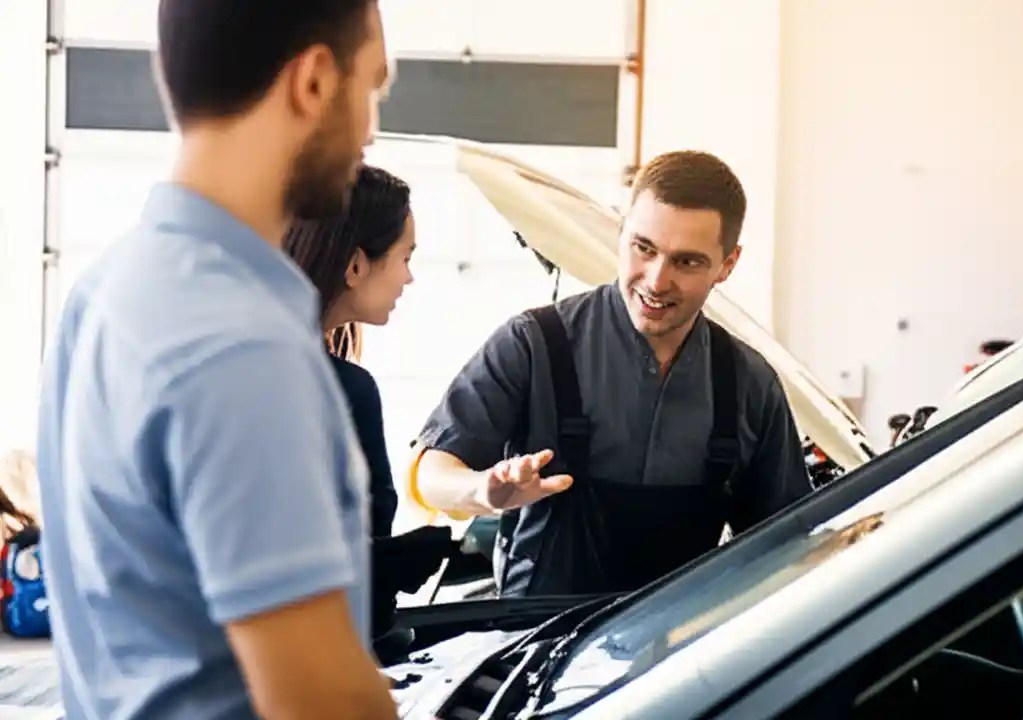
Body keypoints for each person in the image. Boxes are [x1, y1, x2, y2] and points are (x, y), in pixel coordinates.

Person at [34, 2, 399, 718]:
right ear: (316, 82)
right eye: (373, 88)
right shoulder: (241, 344)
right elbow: (324, 706)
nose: (371, 127)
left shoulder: (109, 288)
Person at [412, 150, 815, 597]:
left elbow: (786, 547)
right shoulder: (534, 344)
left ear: (727, 265)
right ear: (622, 232)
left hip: (680, 655)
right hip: (536, 647)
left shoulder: (750, 384)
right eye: (644, 248)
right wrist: (483, 492)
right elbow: (432, 475)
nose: (657, 281)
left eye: (687, 262)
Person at [282, 163, 457, 665]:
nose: (409, 275)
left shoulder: (241, 365)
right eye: (405, 257)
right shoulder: (343, 390)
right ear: (356, 265)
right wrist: (394, 563)